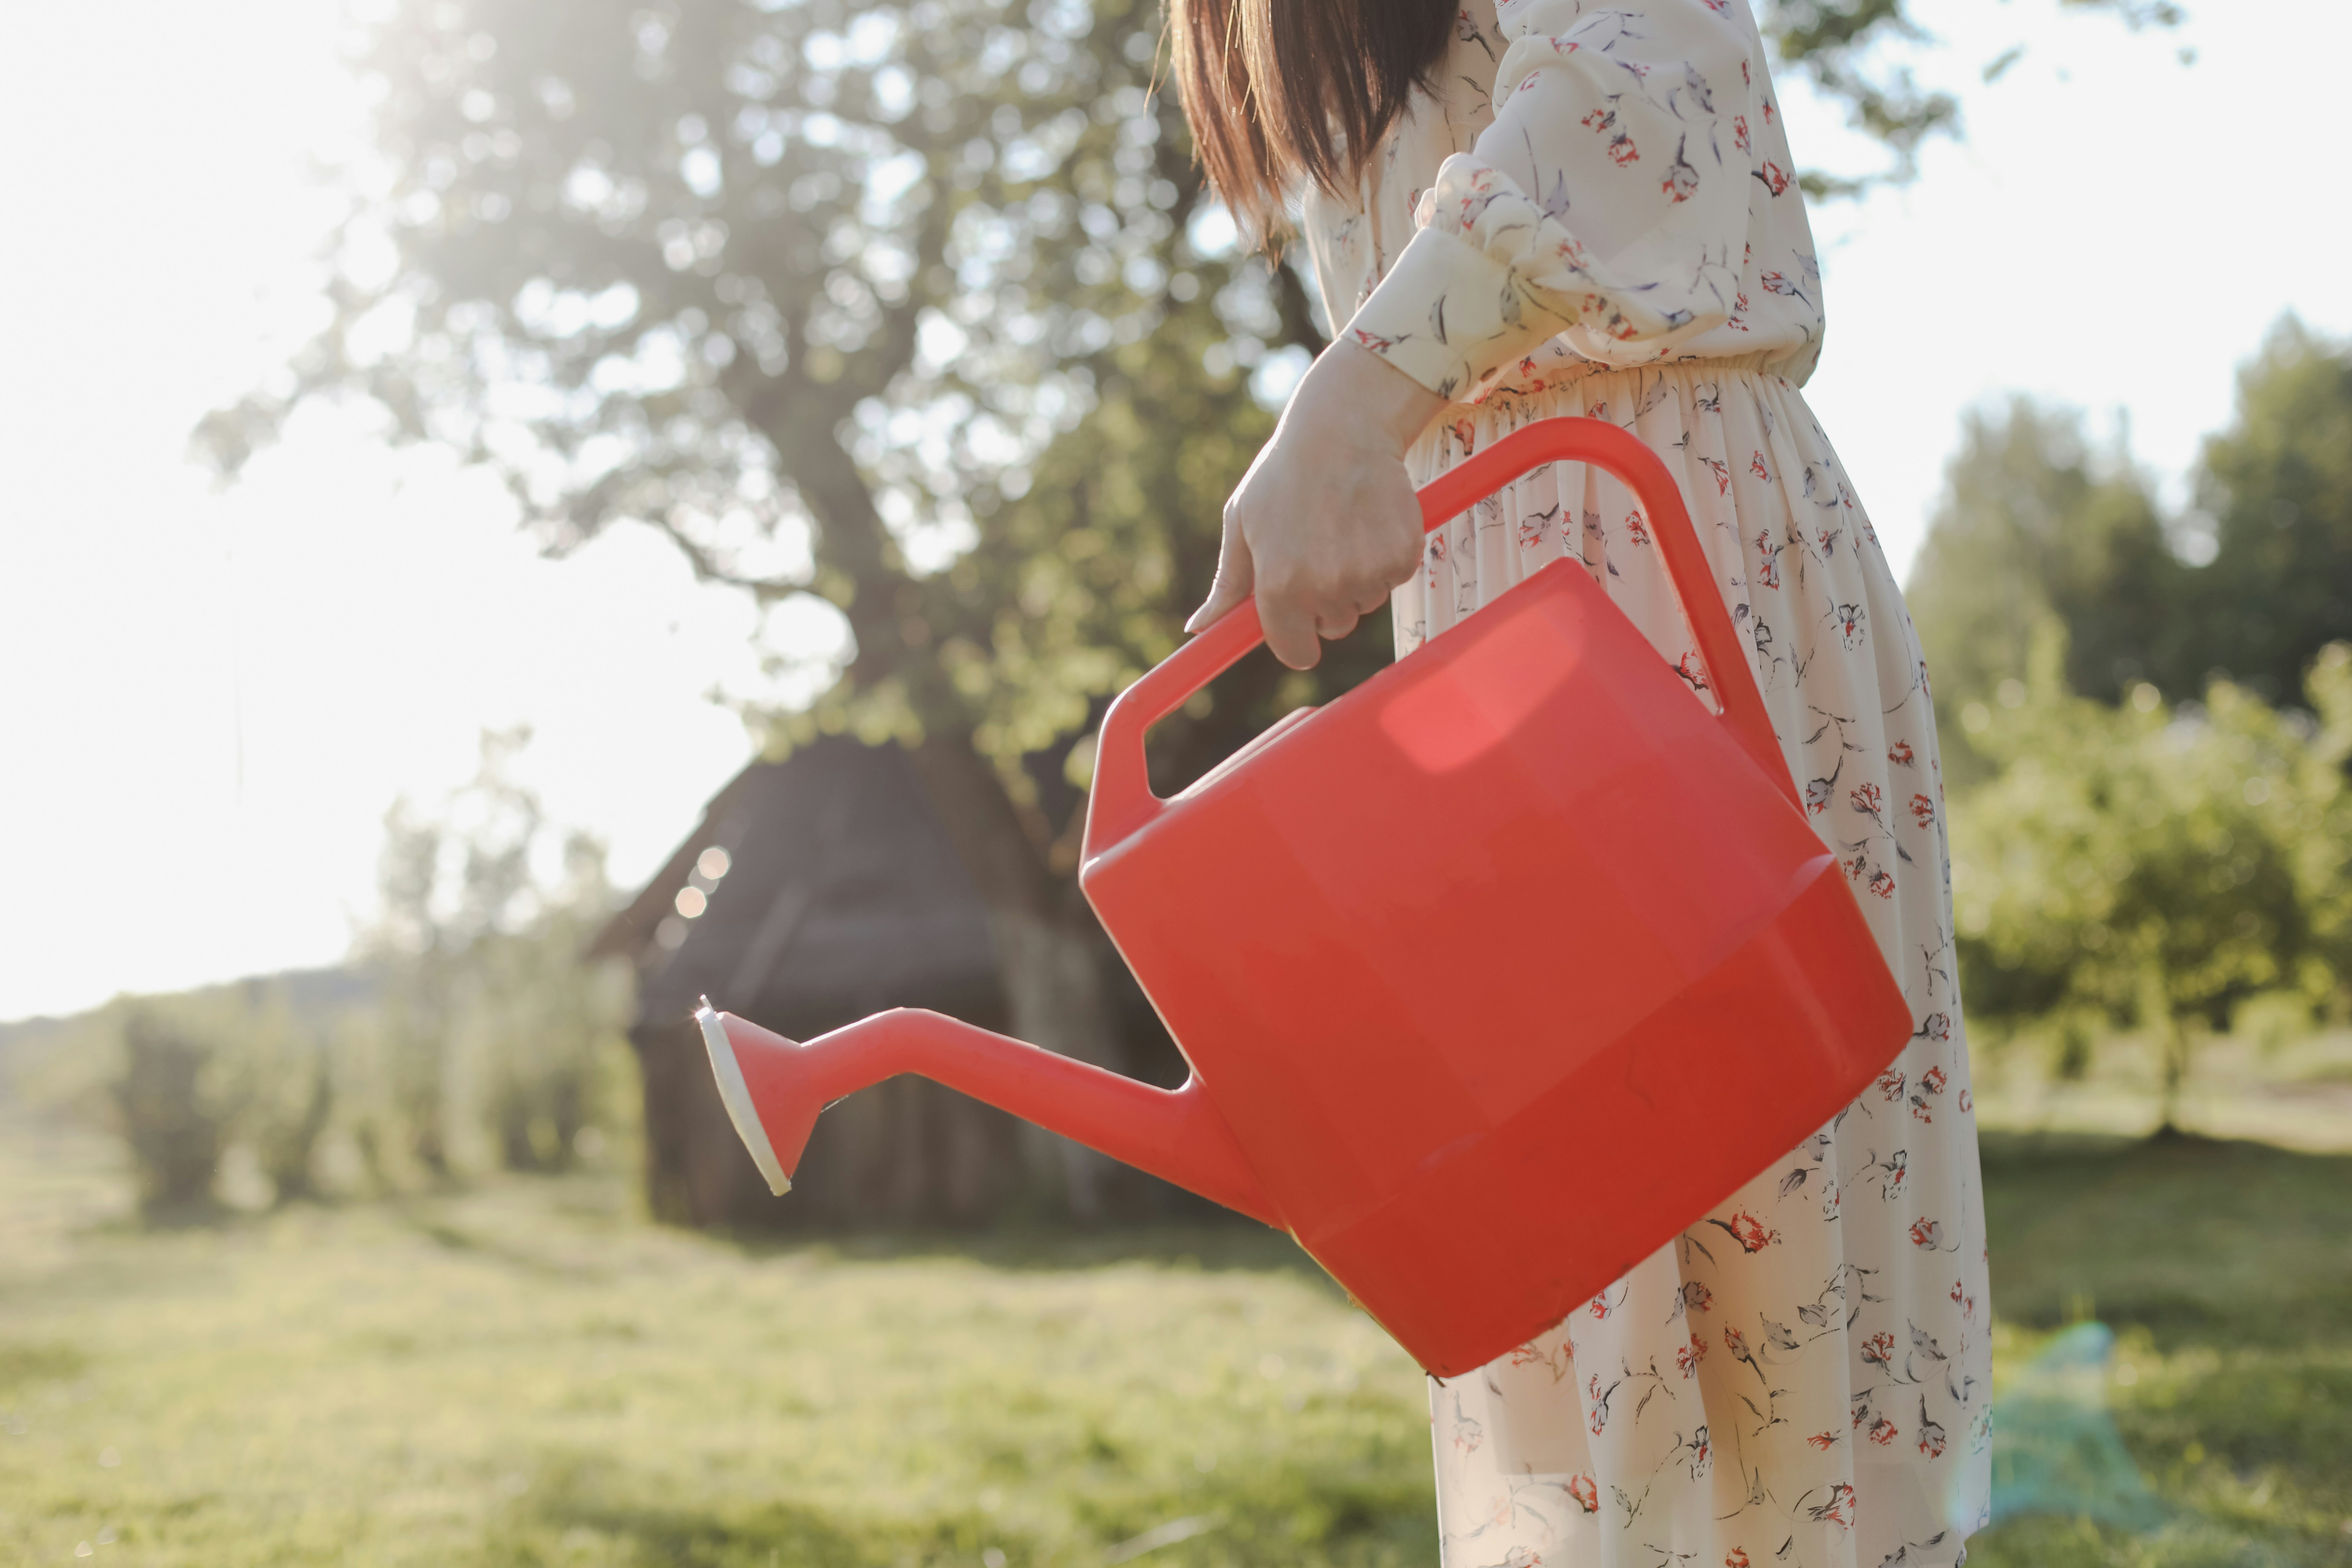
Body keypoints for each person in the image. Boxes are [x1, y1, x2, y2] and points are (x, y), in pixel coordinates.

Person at [1167, 1, 1994, 1564]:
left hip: (1662, 532)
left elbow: (1632, 85)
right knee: (1579, 1302)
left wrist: (1351, 399)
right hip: (1488, 591)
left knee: (1782, 1297)